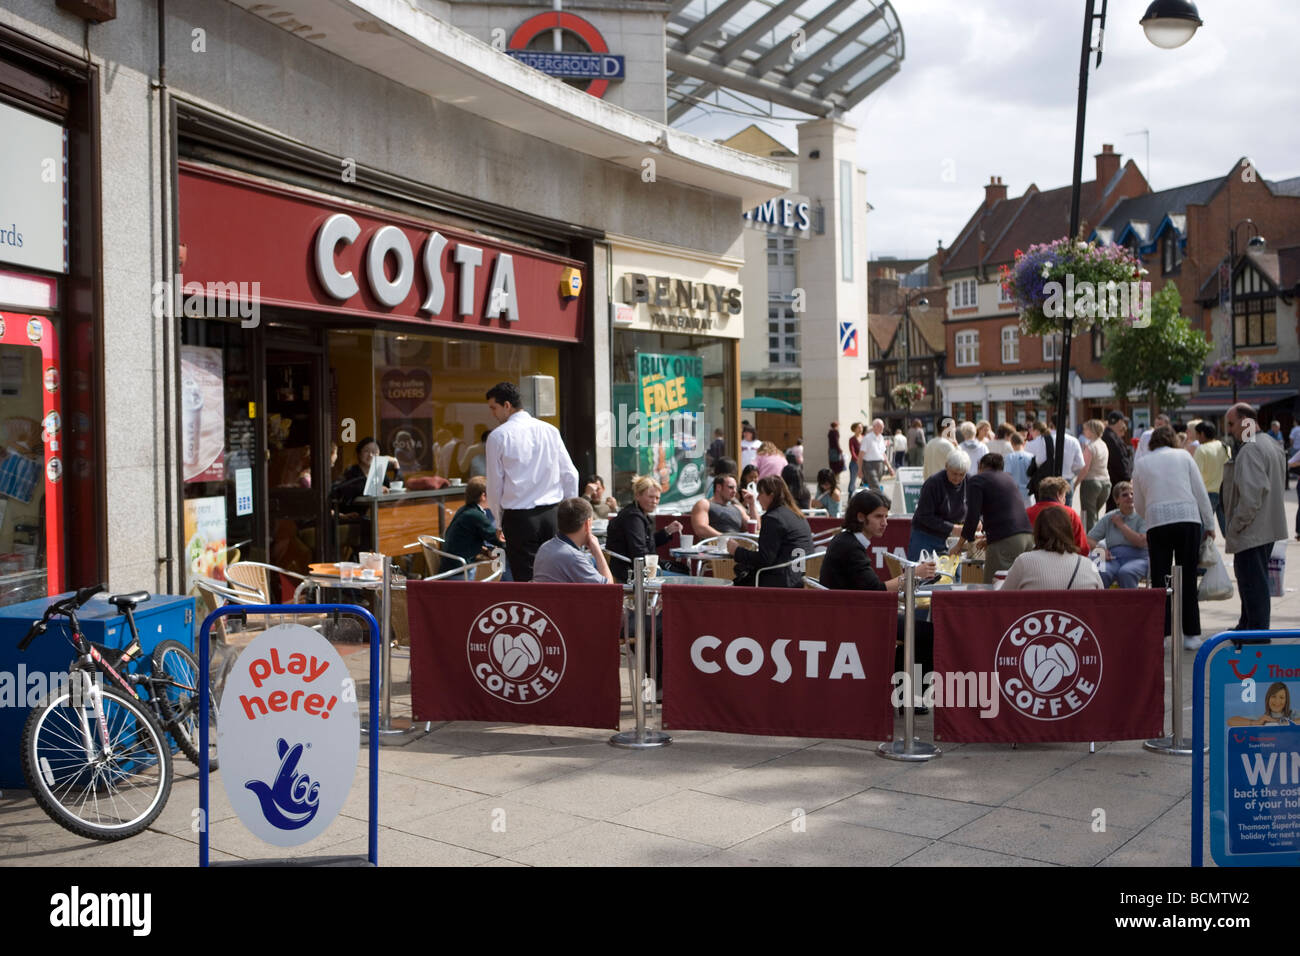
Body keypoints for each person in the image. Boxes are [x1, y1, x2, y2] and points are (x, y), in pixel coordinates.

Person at [820, 490, 938, 689]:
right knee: (928, 633)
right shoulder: (850, 546)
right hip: (852, 619)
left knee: (920, 628)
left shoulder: (849, 541)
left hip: (854, 612)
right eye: (878, 516)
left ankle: (902, 690)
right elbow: (875, 591)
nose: (885, 522)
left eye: (886, 516)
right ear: (860, 517)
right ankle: (909, 694)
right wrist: (914, 574)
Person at [484, 381, 579, 582]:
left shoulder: (498, 436)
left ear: (507, 405)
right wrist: (569, 512)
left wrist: (498, 520)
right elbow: (571, 474)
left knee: (527, 580)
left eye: (494, 408)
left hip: (520, 518)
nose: (493, 414)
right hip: (552, 514)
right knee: (556, 574)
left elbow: (494, 485)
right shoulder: (550, 430)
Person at [1132, 424, 1215, 650]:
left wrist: (1151, 511)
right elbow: (1200, 492)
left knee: (1160, 578)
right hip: (1188, 518)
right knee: (1187, 575)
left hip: (1157, 521)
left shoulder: (1141, 463)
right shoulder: (1184, 457)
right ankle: (1191, 634)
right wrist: (1209, 523)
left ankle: (1163, 633)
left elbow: (1138, 503)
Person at [1222, 402, 1288, 632]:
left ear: (1246, 422)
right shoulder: (1270, 443)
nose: (1230, 430)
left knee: (1253, 586)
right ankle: (1247, 626)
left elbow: (1251, 497)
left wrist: (1235, 526)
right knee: (1254, 585)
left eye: (1232, 424)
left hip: (1253, 531)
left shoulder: (1251, 449)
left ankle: (1255, 635)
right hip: (1267, 529)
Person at [949, 453, 1033, 576]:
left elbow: (972, 517)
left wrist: (959, 545)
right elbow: (1007, 513)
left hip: (1006, 541)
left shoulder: (977, 480)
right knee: (1018, 584)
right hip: (1028, 537)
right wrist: (990, 539)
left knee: (993, 586)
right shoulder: (1008, 479)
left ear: (980, 466)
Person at [726, 475, 813, 587]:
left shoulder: (773, 518)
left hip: (780, 581)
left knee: (734, 587)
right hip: (802, 578)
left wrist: (737, 551)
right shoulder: (797, 515)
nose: (757, 498)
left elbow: (765, 559)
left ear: (771, 496)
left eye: (760, 493)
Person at [605, 475, 684, 583]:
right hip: (633, 574)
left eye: (657, 498)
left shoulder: (638, 514)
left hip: (637, 569)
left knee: (684, 570)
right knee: (684, 578)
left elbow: (644, 543)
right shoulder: (633, 517)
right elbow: (638, 551)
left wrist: (667, 531)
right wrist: (656, 565)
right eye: (651, 497)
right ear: (637, 496)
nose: (655, 501)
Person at [1002, 507, 1104, 591]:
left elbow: (1003, 597)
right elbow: (1101, 599)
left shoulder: (1024, 562)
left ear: (1037, 532)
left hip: (1036, 615)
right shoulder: (1088, 565)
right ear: (1068, 531)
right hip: (1077, 615)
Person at [532, 497, 615, 584]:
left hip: (547, 597)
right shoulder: (573, 557)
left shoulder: (544, 547)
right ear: (587, 523)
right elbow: (609, 590)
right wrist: (598, 552)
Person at [1086, 481, 1149, 588]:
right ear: (1117, 500)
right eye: (1125, 495)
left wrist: (1121, 525)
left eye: (1132, 494)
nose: (1130, 497)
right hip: (1113, 558)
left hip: (1138, 558)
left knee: (1126, 572)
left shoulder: (1142, 515)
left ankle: (1129, 604)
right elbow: (1088, 539)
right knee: (1100, 571)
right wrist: (1101, 550)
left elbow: (1141, 542)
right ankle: (1101, 603)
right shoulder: (1109, 517)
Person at [908, 449, 968, 559]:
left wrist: (978, 519)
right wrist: (952, 528)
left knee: (952, 574)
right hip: (925, 535)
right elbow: (924, 516)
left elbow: (977, 507)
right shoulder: (933, 483)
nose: (958, 478)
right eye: (954, 473)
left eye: (961, 474)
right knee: (921, 573)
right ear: (946, 467)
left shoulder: (969, 481)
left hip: (951, 539)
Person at [441, 476, 501, 572]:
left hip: (451, 565)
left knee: (498, 557)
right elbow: (497, 541)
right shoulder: (476, 516)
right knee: (504, 561)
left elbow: (465, 541)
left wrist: (485, 551)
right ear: (484, 496)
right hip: (461, 570)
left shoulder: (464, 510)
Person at [333, 436, 403, 508]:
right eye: (366, 451)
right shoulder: (351, 471)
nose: (370, 455)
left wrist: (396, 466)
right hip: (354, 515)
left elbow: (396, 487)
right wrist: (374, 489)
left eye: (374, 451)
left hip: (377, 513)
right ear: (359, 453)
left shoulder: (378, 471)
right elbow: (343, 490)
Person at [1025, 476, 1089, 555]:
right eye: (1064, 496)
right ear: (1059, 495)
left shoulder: (1026, 513)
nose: (1065, 500)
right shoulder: (1070, 513)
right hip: (1064, 559)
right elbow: (1082, 548)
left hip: (1032, 558)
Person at [690, 472, 756, 538]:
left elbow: (756, 529)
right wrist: (725, 539)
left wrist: (752, 504)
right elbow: (700, 529)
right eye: (731, 487)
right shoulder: (705, 504)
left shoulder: (738, 508)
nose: (735, 491)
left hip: (737, 545)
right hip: (715, 545)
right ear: (719, 487)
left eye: (736, 488)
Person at [1193, 421, 1230, 535]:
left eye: (1197, 434)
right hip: (1224, 493)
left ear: (1202, 434)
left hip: (1207, 494)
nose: (1196, 438)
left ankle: (1202, 553)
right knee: (1228, 531)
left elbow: (1195, 475)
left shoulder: (1201, 449)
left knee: (1202, 531)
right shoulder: (1225, 447)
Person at [1075, 419, 1111, 531]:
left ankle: (1091, 543)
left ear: (1092, 431)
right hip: (1105, 482)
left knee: (1089, 518)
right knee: (1095, 514)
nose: (1084, 431)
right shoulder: (1104, 445)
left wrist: (1076, 483)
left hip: (1091, 482)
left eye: (1086, 429)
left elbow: (1085, 468)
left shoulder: (1090, 447)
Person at [1228, 682, 1296, 726]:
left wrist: (1284, 722)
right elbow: (1231, 721)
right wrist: (1255, 722)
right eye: (1273, 696)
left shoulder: (1293, 714)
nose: (1277, 701)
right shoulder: (1262, 718)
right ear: (1268, 698)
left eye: (1281, 697)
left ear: (1286, 700)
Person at [1102, 412, 1133, 511]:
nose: (1124, 424)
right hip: (1116, 480)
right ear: (1119, 422)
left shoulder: (1111, 436)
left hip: (1117, 479)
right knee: (1115, 509)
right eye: (1123, 421)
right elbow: (1118, 460)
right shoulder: (1110, 437)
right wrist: (1127, 477)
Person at [860, 419, 893, 492]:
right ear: (875, 427)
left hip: (880, 465)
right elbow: (861, 455)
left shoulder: (881, 437)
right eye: (880, 426)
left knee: (874, 486)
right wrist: (859, 470)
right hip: (869, 465)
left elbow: (883, 454)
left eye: (883, 426)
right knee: (875, 486)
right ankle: (885, 501)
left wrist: (889, 467)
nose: (882, 428)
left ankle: (873, 501)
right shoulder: (867, 438)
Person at [1005, 431, 1034, 504]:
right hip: (1029, 492)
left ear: (1011, 443)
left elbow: (1007, 475)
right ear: (1024, 443)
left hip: (1014, 492)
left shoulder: (1009, 457)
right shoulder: (1031, 456)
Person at [847, 422, 864, 496]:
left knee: (864, 480)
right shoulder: (852, 439)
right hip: (855, 463)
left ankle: (863, 495)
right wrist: (858, 460)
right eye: (859, 427)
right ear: (854, 429)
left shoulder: (864, 438)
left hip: (864, 463)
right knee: (853, 481)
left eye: (861, 427)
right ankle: (851, 495)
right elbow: (852, 451)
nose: (860, 429)